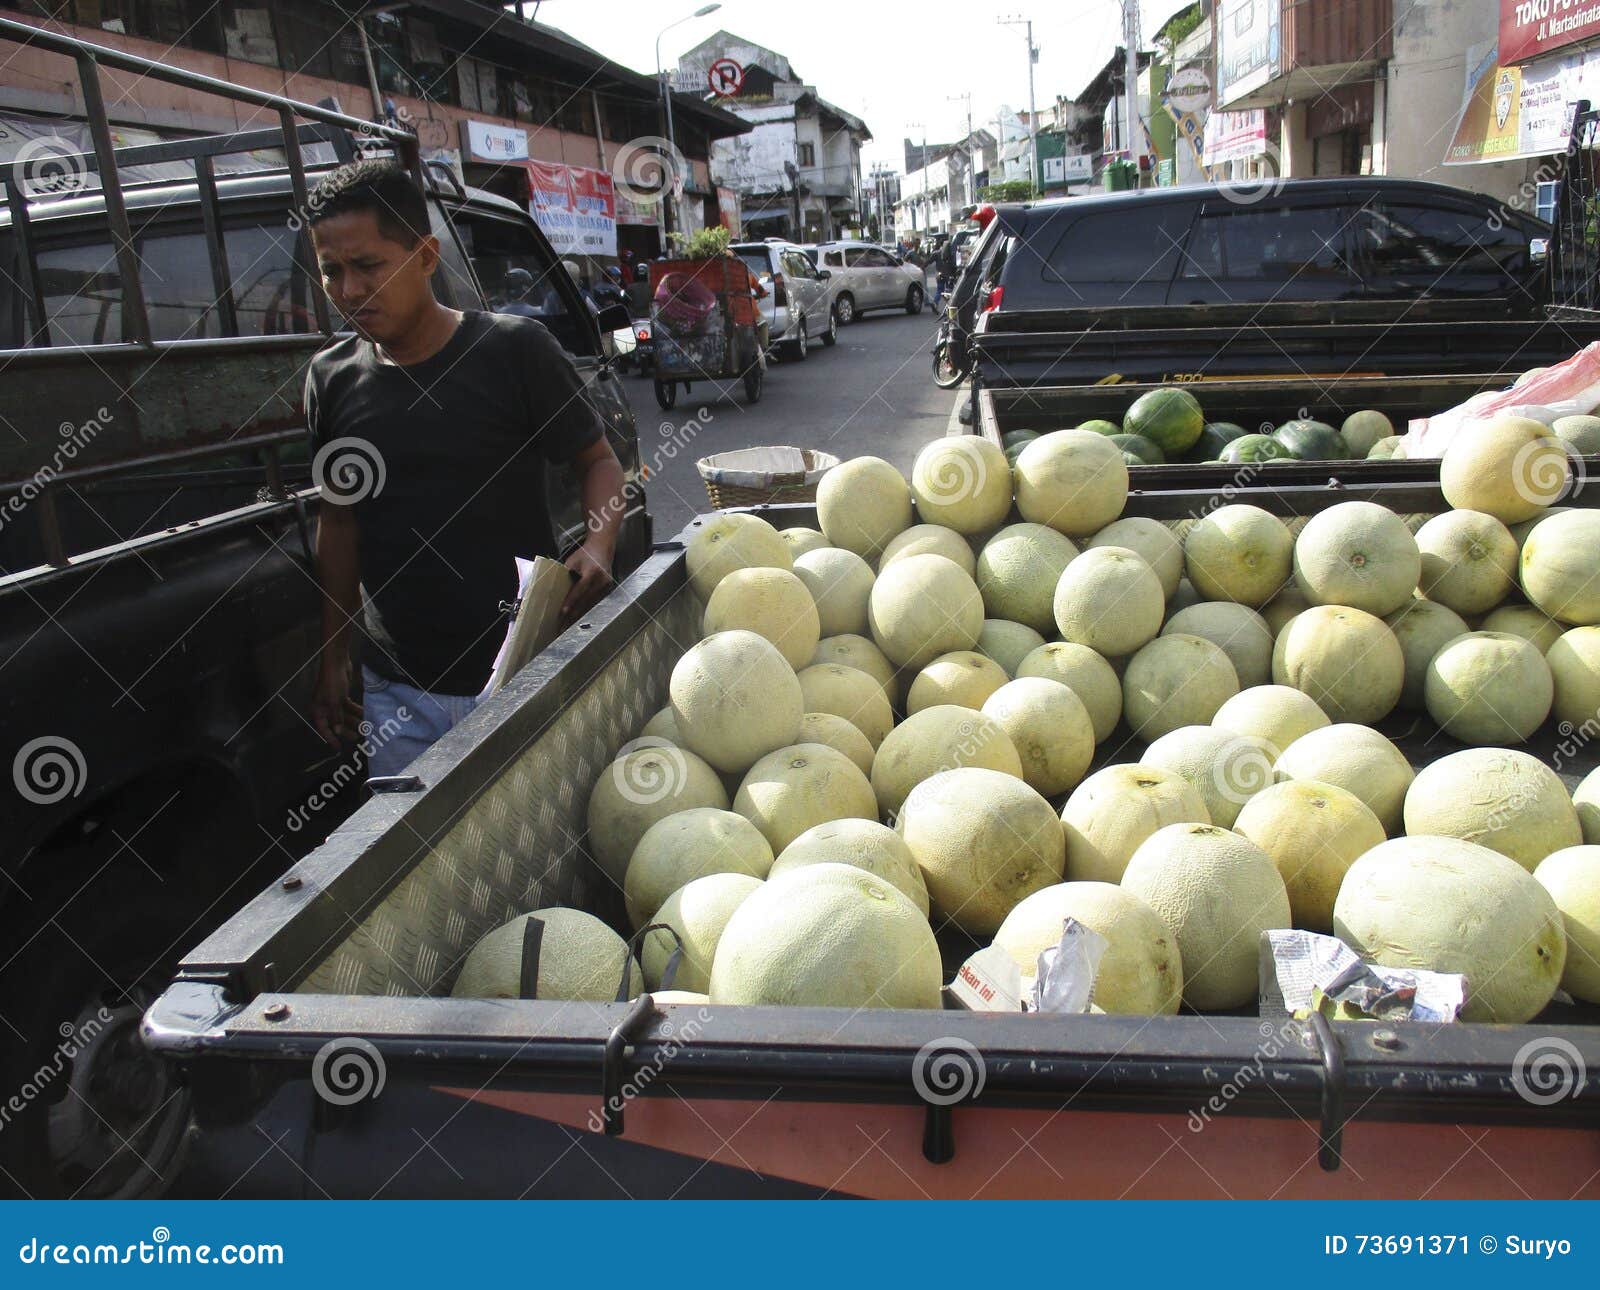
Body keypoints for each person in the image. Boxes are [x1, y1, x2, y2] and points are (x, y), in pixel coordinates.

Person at [305, 160, 626, 776]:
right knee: (422, 864)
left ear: (425, 256)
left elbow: (599, 462)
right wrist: (332, 658)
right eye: (330, 271)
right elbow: (338, 524)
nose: (348, 291)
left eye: (368, 266)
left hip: (520, 673)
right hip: (397, 699)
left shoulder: (513, 351)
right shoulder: (330, 380)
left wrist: (600, 545)